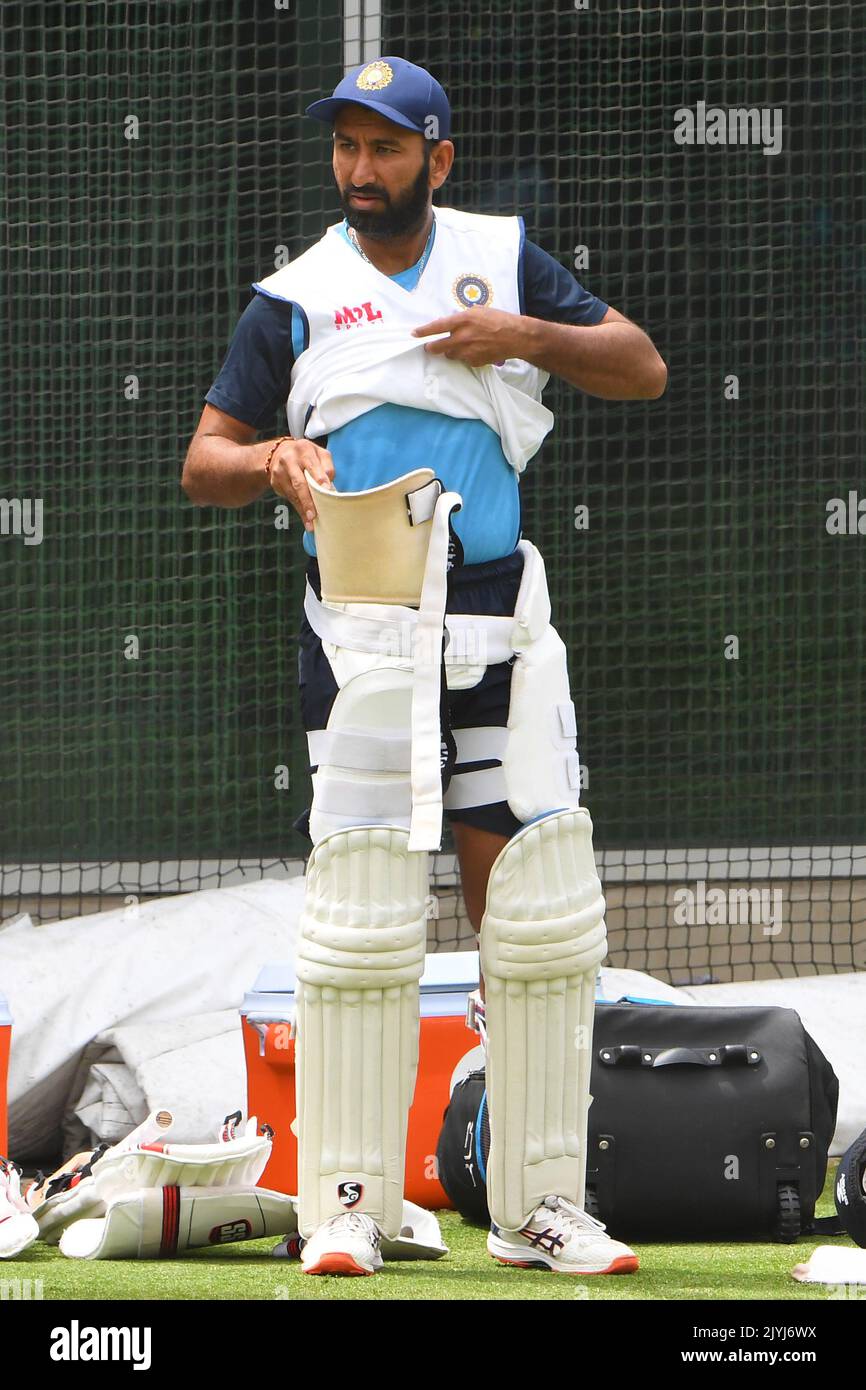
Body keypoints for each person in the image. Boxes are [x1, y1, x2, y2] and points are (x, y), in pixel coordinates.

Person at [183, 55, 666, 1278]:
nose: (359, 169)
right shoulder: (292, 296)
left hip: (500, 623)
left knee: (538, 921)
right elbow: (205, 458)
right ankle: (346, 1204)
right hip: (359, 628)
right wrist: (275, 460)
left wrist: (520, 334)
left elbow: (640, 364)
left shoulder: (501, 259)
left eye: (384, 147)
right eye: (345, 146)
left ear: (435, 159)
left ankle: (534, 1209)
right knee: (360, 919)